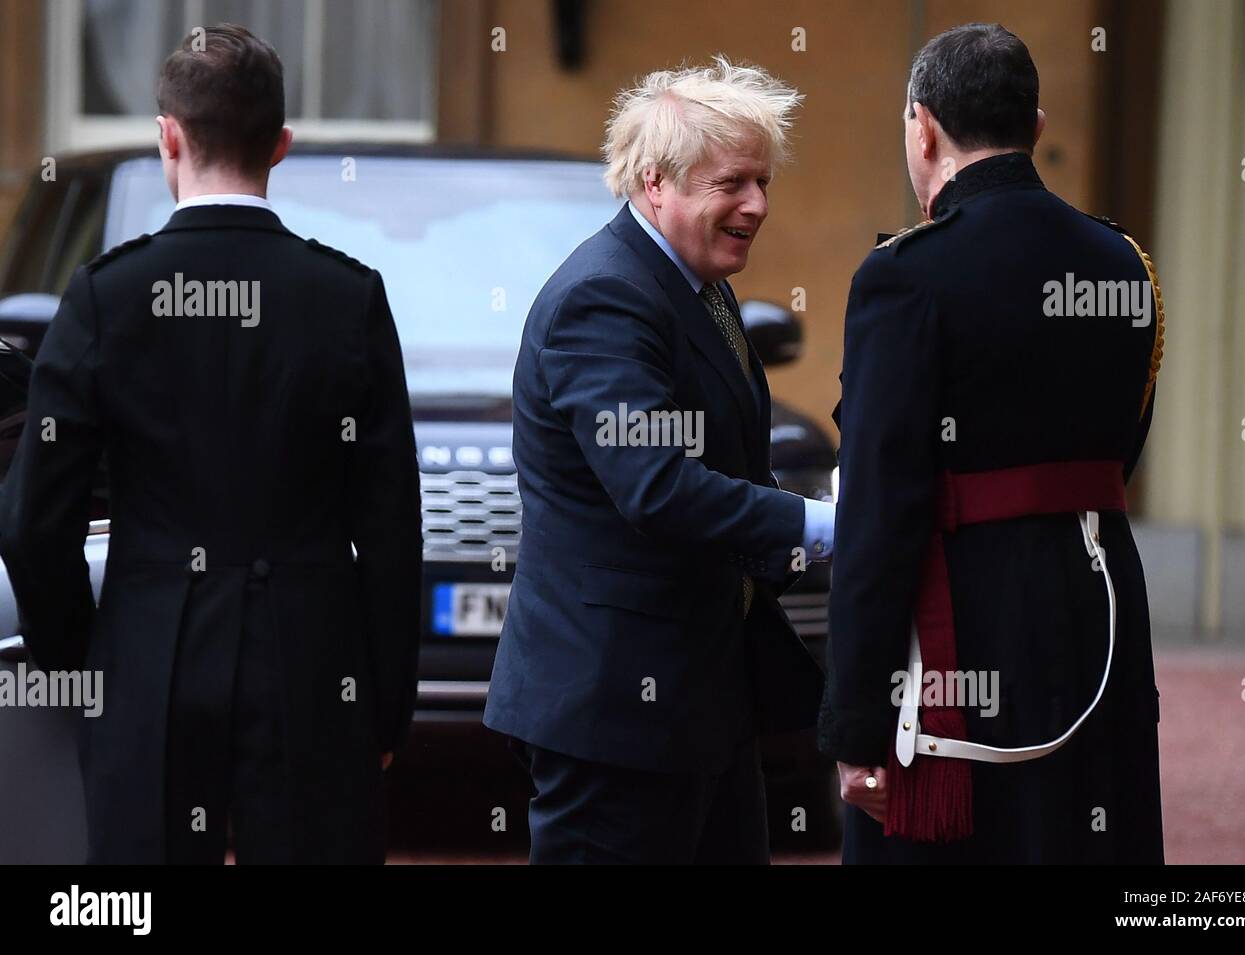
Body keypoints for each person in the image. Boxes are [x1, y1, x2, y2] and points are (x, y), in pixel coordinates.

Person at [0, 23, 421, 863]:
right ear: (283, 145)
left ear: (169, 136)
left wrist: (89, 667)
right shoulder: (349, 298)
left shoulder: (103, 296)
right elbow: (390, 530)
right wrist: (381, 703)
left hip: (147, 663)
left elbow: (31, 523)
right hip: (312, 666)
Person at [820, 22, 1165, 864]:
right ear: (1037, 128)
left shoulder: (904, 275)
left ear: (923, 126)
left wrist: (857, 718)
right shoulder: (1123, 262)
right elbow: (1119, 456)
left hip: (959, 637)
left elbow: (878, 509)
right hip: (1097, 612)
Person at [484, 56, 834, 864]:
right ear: (654, 184)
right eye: (734, 183)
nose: (758, 204)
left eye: (764, 182)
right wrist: (822, 525)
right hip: (614, 718)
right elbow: (657, 484)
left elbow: (726, 459)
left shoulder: (695, 287)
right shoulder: (603, 297)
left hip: (698, 705)